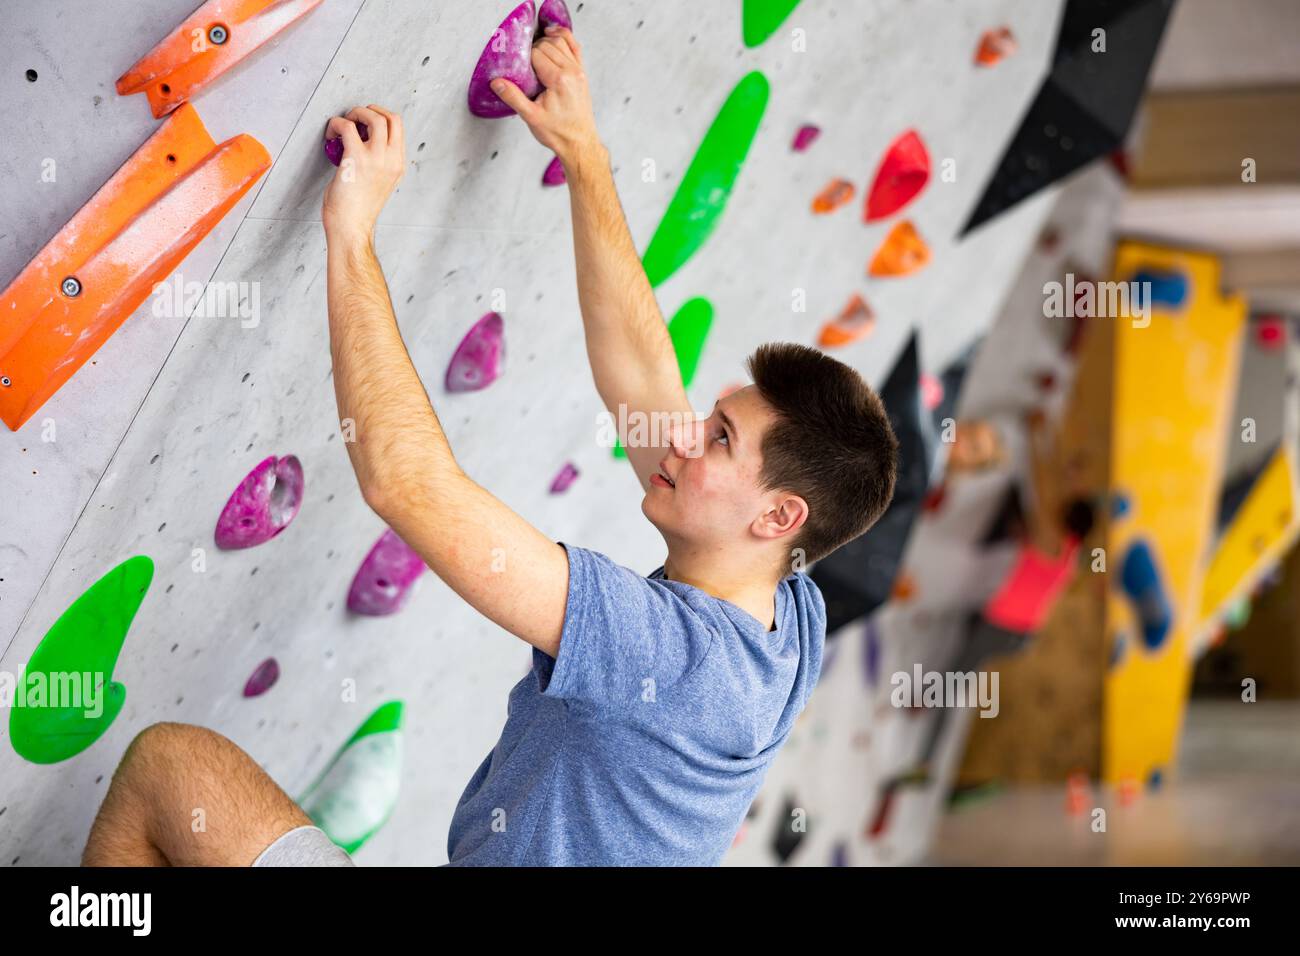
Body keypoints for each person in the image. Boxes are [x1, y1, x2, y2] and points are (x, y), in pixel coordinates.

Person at [83, 26, 898, 867]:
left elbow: (407, 484)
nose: (684, 432)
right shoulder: (786, 618)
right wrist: (585, 156)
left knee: (167, 769)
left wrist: (353, 236)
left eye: (720, 437)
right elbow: (645, 377)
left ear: (778, 515)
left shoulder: (668, 656)